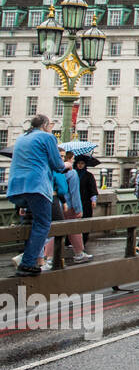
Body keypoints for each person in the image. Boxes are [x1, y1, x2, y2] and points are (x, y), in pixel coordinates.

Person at [6, 115, 66, 276]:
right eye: (50, 125)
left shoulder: (21, 138)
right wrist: (66, 164)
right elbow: (57, 165)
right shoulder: (47, 137)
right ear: (45, 125)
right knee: (43, 224)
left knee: (30, 222)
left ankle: (27, 256)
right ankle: (27, 262)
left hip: (16, 188)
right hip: (36, 186)